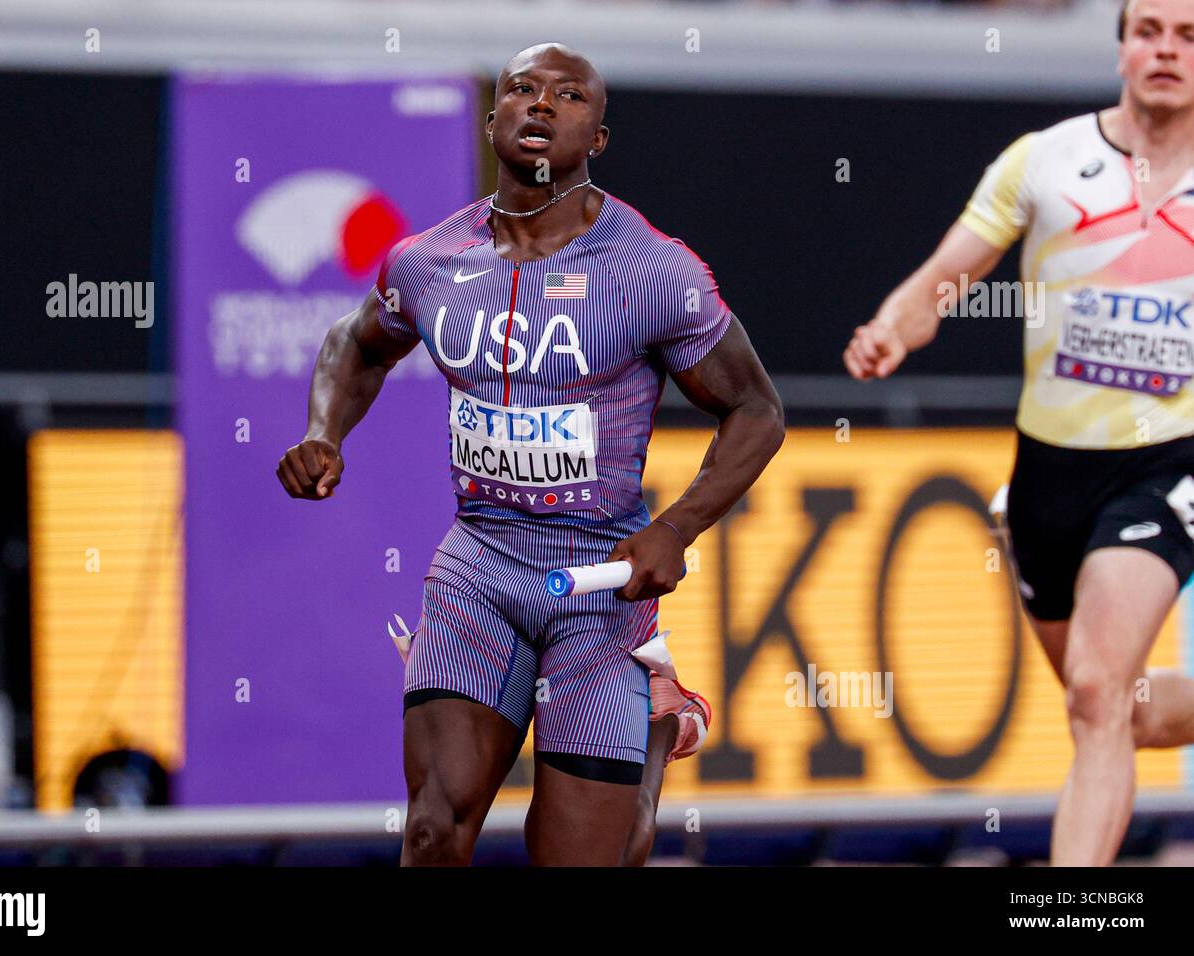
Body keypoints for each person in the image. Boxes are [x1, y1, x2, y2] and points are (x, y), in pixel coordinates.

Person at [279, 42, 784, 866]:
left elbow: (757, 410)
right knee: (433, 830)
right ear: (492, 122)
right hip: (478, 567)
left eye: (569, 95)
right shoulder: (431, 260)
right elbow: (357, 343)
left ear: (600, 137)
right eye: (522, 89)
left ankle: (652, 732)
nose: (543, 105)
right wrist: (322, 433)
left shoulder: (654, 271)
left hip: (598, 583)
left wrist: (679, 528)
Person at [843, 0, 1194, 865]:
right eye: (1150, 30)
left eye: (1189, 36)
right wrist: (892, 326)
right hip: (1048, 475)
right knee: (1122, 710)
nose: (1167, 50)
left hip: (1170, 460)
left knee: (1095, 691)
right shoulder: (1044, 161)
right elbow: (942, 280)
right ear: (1120, 47)